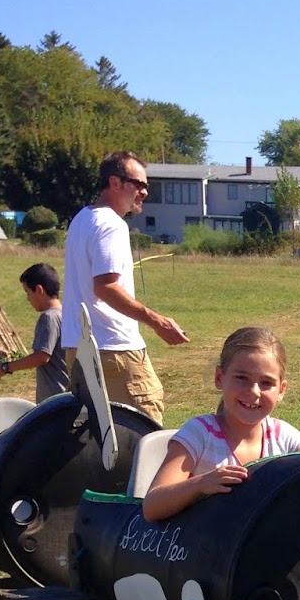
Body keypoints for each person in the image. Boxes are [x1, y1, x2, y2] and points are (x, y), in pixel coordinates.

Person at [61, 150, 186, 424]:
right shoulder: (112, 224)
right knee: (146, 432)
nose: (144, 192)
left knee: (100, 439)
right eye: (137, 184)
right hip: (114, 350)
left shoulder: (82, 219)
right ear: (114, 182)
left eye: (146, 186)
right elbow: (105, 287)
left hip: (78, 349)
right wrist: (157, 321)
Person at [142, 327, 300, 522]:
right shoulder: (199, 434)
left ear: (281, 390)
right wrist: (200, 484)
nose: (254, 391)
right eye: (242, 378)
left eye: (266, 383)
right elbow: (152, 506)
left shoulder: (285, 438)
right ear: (219, 378)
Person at [0, 263, 68, 402]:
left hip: (55, 401)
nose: (28, 299)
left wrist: (6, 367)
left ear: (39, 290)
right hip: (66, 396)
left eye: (28, 292)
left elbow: (42, 356)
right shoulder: (66, 314)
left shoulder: (49, 318)